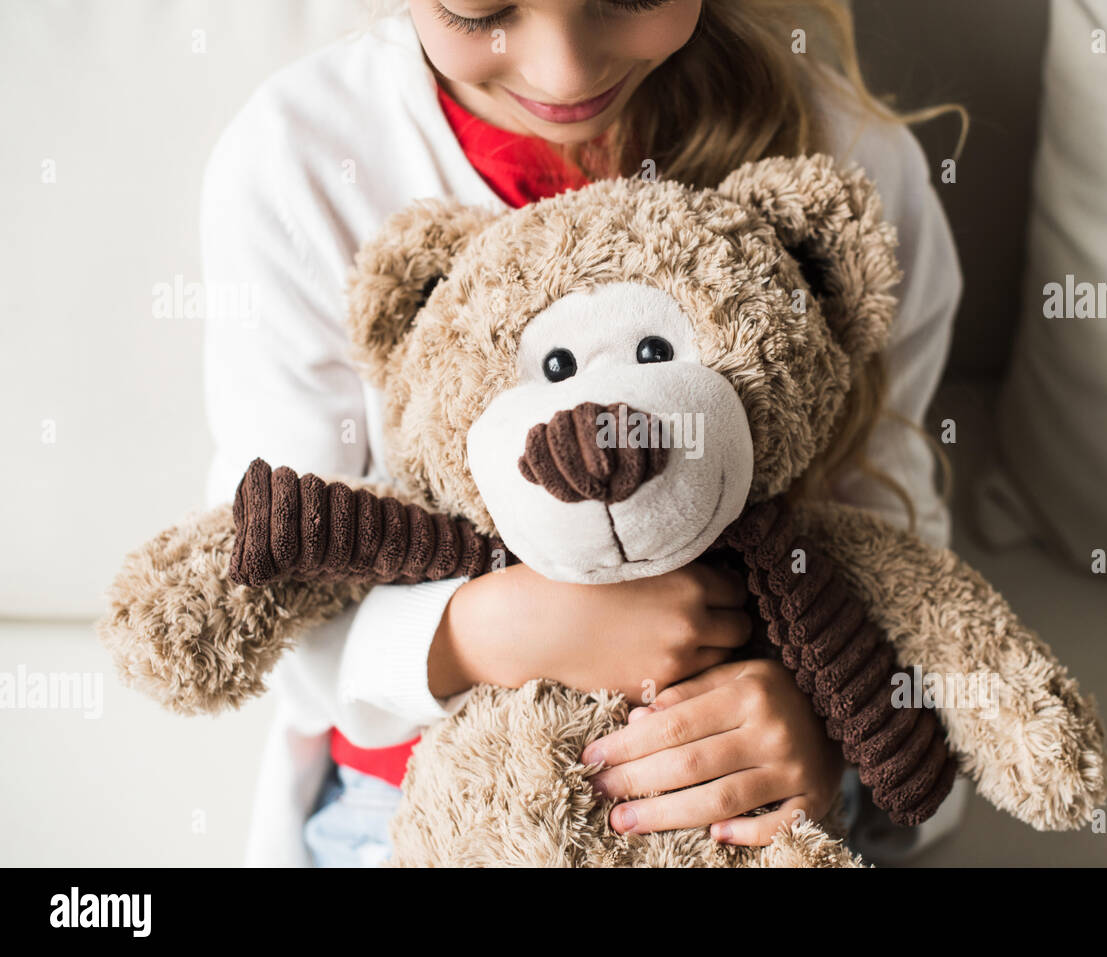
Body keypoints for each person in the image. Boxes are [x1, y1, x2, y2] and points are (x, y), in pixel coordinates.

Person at [199, 0, 966, 867]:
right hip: (417, 803)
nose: (563, 73)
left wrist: (825, 731)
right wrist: (475, 633)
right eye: (482, 9)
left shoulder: (855, 165)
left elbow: (896, 549)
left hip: (734, 815)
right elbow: (269, 592)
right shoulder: (300, 160)